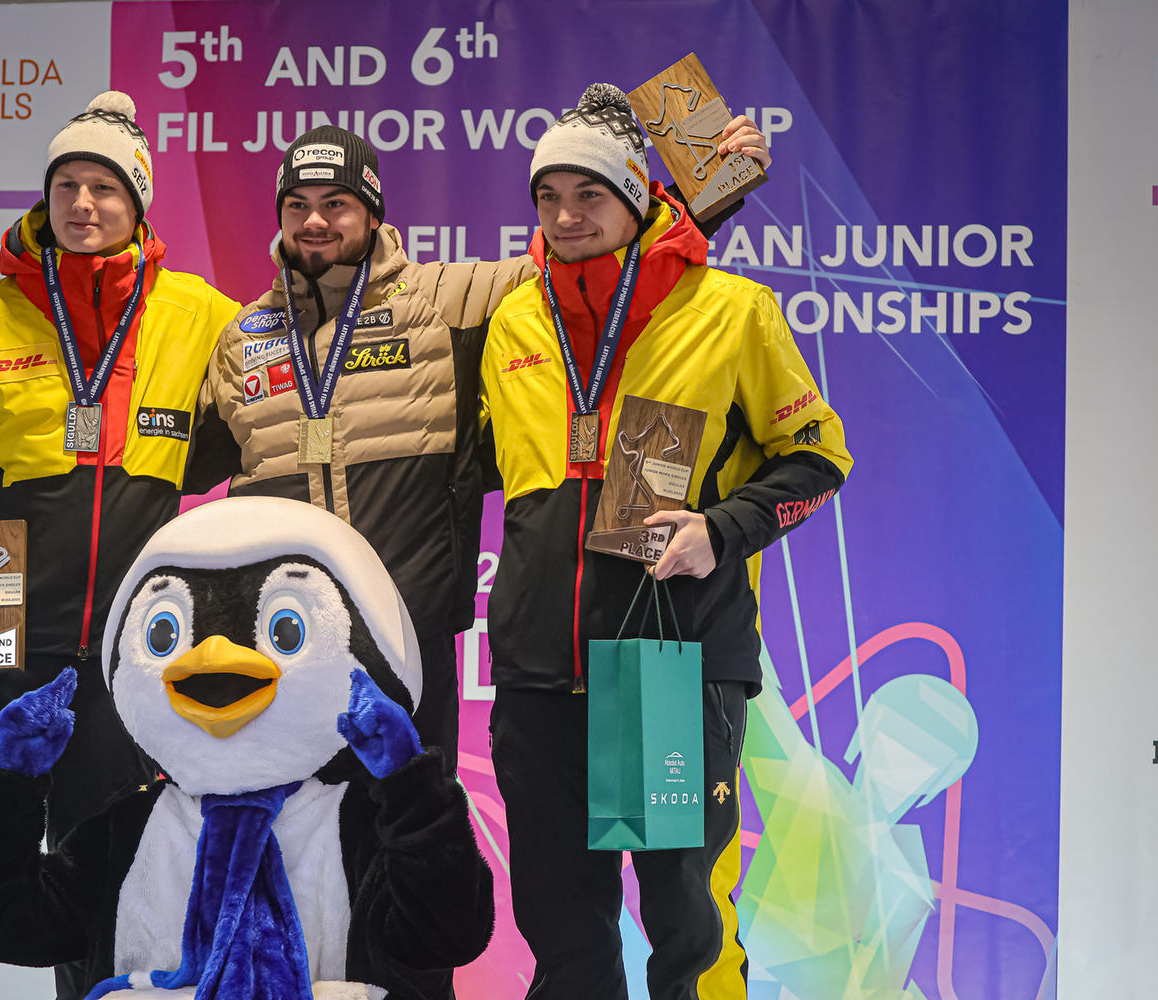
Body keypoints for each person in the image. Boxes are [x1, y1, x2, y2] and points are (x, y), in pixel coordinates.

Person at [189, 118, 768, 771]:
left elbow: (586, 262)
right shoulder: (246, 336)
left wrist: (712, 191)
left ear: (373, 212)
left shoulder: (445, 300)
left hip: (409, 630)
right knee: (297, 844)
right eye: (297, 206)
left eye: (335, 204)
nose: (314, 222)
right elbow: (184, 461)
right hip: (280, 640)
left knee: (417, 838)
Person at [478, 84, 854, 1000]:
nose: (566, 218)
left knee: (685, 926)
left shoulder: (729, 311)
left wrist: (720, 531)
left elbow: (819, 462)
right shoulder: (515, 320)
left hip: (664, 668)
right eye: (548, 198)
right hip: (535, 677)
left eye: (590, 196)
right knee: (562, 933)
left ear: (639, 197)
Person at [0, 91, 239, 1000]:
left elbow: (257, 418)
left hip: (126, 640)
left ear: (140, 203)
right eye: (66, 186)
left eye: (105, 188)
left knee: (100, 866)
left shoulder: (198, 314)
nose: (83, 204)